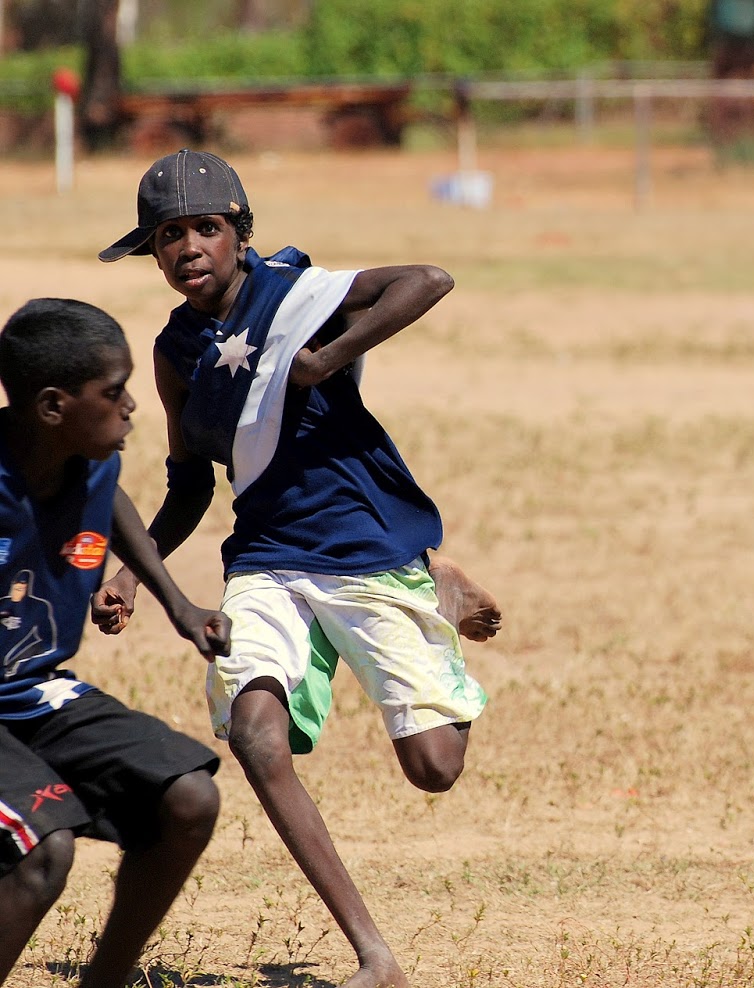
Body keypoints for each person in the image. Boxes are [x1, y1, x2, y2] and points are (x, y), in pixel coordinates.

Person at [93, 149, 490, 988]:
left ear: (240, 234)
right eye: (170, 235)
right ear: (153, 253)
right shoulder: (175, 352)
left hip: (367, 549)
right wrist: (131, 571)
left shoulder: (296, 295)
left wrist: (323, 359)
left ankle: (434, 584)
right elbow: (188, 486)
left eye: (208, 228)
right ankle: (374, 954)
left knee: (435, 769)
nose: (190, 247)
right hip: (269, 558)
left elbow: (430, 277)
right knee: (254, 734)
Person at [0, 298, 230, 987]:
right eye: (113, 391)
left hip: (30, 691)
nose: (131, 405)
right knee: (44, 850)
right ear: (52, 406)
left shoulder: (90, 455)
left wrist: (177, 602)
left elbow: (114, 500)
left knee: (188, 797)